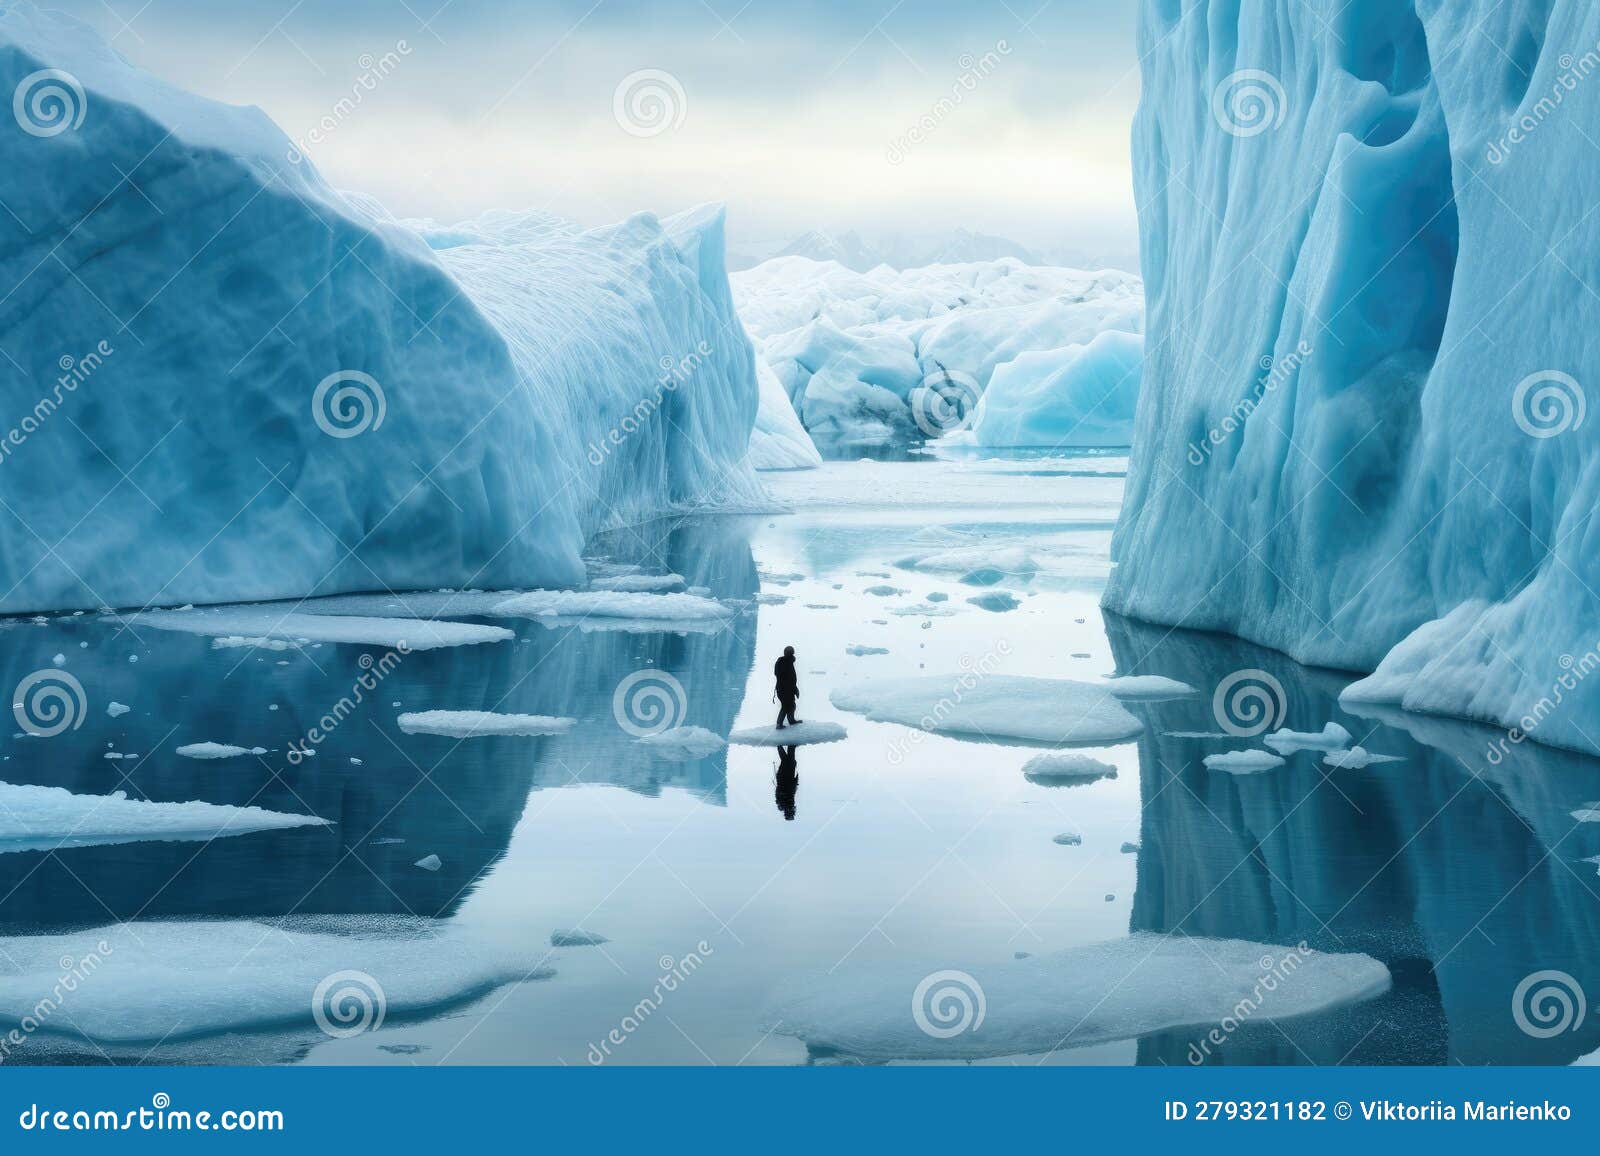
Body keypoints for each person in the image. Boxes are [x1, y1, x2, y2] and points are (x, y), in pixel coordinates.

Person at [774, 645, 801, 729]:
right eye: (791, 653)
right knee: (786, 706)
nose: (792, 655)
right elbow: (782, 676)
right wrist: (793, 688)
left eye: (792, 653)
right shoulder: (783, 662)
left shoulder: (788, 662)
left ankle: (791, 720)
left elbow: (791, 679)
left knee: (792, 705)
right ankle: (779, 724)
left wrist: (794, 688)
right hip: (783, 689)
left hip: (788, 689)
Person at [774, 745, 798, 821]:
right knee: (789, 761)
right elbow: (791, 792)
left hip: (785, 778)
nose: (793, 812)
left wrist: (795, 780)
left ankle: (786, 746)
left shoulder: (785, 805)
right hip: (783, 778)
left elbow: (790, 791)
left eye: (792, 814)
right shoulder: (783, 805)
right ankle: (788, 747)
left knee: (788, 761)